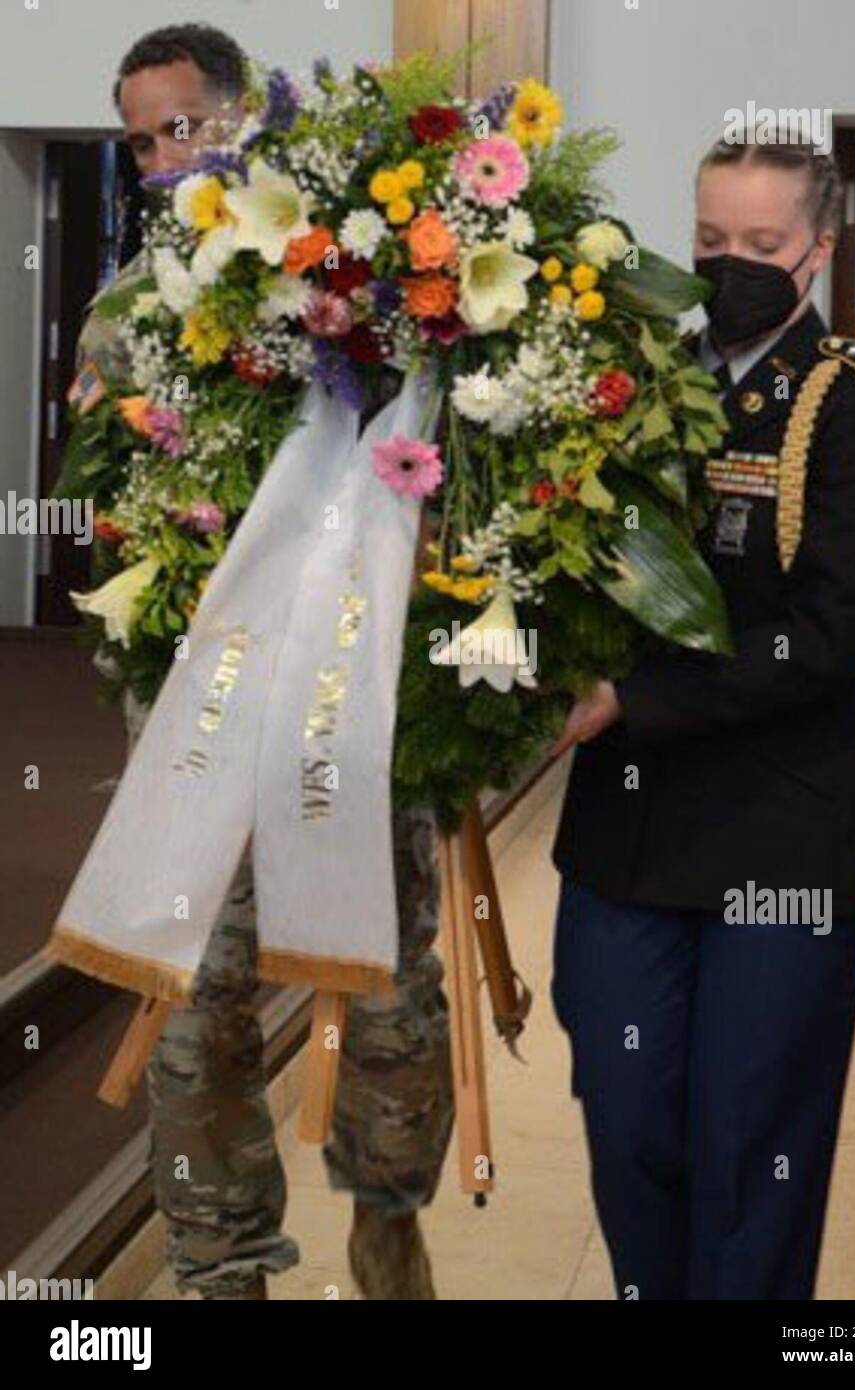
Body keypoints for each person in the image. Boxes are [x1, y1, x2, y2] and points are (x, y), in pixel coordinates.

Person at [71, 23, 453, 1301]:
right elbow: (106, 511)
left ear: (243, 121)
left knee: (387, 1001)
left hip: (346, 722)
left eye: (182, 126)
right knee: (192, 1020)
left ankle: (387, 1215)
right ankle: (215, 1262)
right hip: (197, 724)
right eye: (140, 140)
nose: (163, 157)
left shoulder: (357, 273)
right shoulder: (127, 319)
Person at [548, 135, 855, 1300]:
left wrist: (635, 696)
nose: (730, 266)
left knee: (749, 1142)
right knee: (627, 1125)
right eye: (710, 240)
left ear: (818, 251)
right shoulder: (626, 382)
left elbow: (829, 634)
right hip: (630, 828)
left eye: (761, 245)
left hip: (790, 828)